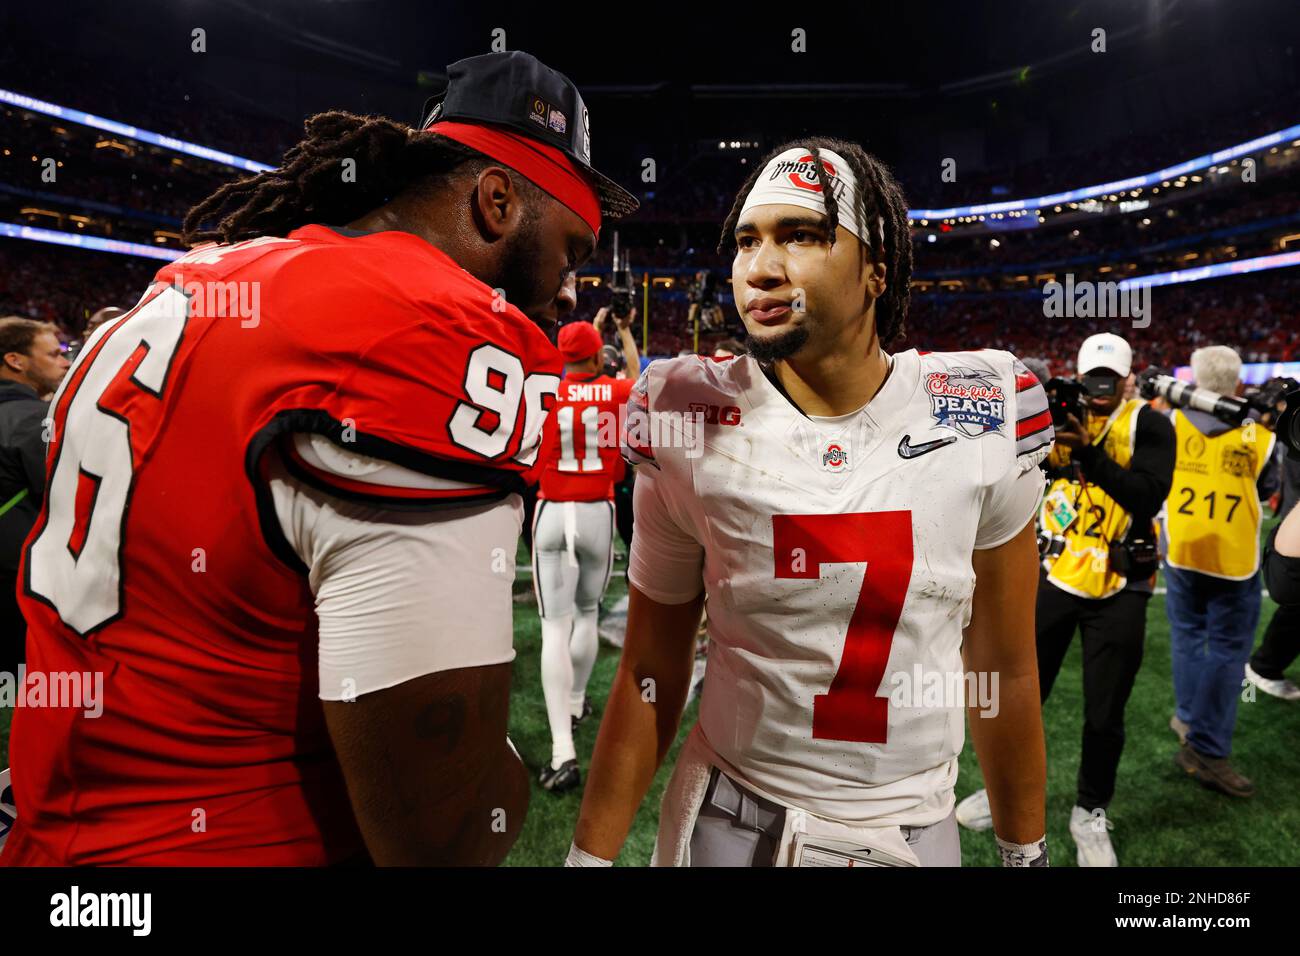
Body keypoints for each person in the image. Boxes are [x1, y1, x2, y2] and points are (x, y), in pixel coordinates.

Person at [0, 51, 637, 867]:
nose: (569, 289)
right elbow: (442, 834)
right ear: (497, 200)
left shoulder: (194, 279)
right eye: (573, 252)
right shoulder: (425, 329)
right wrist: (505, 774)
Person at [569, 137, 1054, 868]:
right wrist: (589, 858)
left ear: (875, 269)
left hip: (915, 823)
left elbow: (1006, 667)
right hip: (734, 815)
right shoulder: (685, 412)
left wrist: (1025, 852)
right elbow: (652, 667)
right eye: (746, 241)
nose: (760, 268)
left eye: (802, 235)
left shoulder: (982, 408)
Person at [959, 332, 1175, 866]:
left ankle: (1091, 811)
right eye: (1091, 381)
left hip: (1120, 586)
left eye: (1110, 381)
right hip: (1054, 574)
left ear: (1128, 378)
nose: (1099, 393)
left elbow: (1148, 495)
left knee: (1105, 713)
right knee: (1019, 696)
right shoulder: (1052, 412)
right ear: (1078, 377)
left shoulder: (1149, 422)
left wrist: (1089, 453)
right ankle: (1005, 792)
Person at [1162, 346, 1277, 797]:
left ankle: (1189, 717)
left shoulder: (1171, 423)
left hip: (1184, 550)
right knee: (1229, 650)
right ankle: (1207, 749)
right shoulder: (1259, 435)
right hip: (1233, 558)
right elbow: (1270, 488)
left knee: (1188, 635)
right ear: (1237, 382)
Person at [532, 319, 637, 791]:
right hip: (598, 512)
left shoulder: (547, 392)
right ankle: (575, 701)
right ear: (598, 356)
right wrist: (623, 334)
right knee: (587, 613)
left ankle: (562, 752)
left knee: (555, 626)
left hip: (553, 509)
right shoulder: (618, 392)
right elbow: (641, 380)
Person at [0, 318, 69, 673]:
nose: (65, 362)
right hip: (17, 575)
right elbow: (68, 493)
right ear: (16, 360)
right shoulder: (37, 418)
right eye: (54, 353)